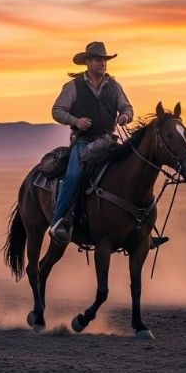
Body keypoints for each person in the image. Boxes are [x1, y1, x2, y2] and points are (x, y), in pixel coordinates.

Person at [48, 41, 134, 245]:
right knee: (74, 174)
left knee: (131, 171)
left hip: (108, 140)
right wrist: (75, 121)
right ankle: (58, 222)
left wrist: (124, 116)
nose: (102, 63)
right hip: (83, 141)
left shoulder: (114, 86)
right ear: (87, 62)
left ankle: (139, 228)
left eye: (104, 60)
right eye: (97, 60)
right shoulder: (73, 86)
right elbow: (57, 110)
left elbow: (127, 108)